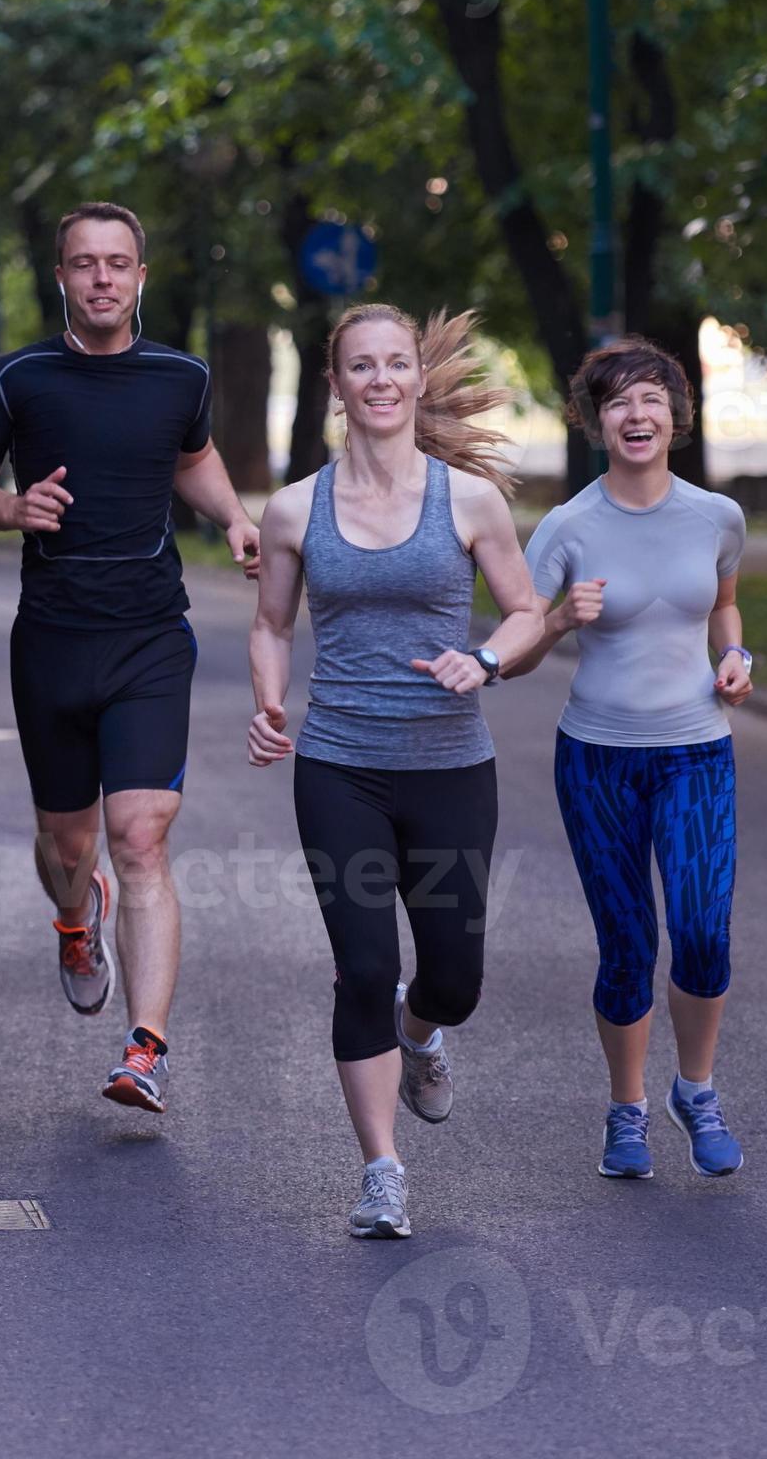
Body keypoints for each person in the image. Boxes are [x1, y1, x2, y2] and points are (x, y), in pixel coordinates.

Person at [0, 201, 261, 1115]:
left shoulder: (181, 376)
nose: (102, 279)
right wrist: (12, 509)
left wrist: (233, 515)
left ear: (141, 276)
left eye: (118, 263)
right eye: (84, 264)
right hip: (51, 639)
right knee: (69, 844)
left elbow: (190, 458)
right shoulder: (17, 378)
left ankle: (147, 1048)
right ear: (62, 277)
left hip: (151, 635)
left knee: (141, 836)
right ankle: (77, 923)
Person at [247, 306, 550, 1238]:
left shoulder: (467, 501)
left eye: (395, 365)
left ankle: (426, 1035)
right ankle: (381, 1171)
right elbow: (270, 625)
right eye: (359, 367)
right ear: (335, 386)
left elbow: (530, 615)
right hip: (341, 768)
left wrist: (488, 660)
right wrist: (269, 701)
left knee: (453, 976)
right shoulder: (297, 507)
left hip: (451, 767)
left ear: (419, 379)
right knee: (364, 965)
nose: (379, 380)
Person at [511, 338, 755, 1184]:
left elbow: (724, 605)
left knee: (700, 933)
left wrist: (739, 658)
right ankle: (627, 1110)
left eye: (652, 397)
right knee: (625, 946)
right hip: (597, 762)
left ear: (675, 416)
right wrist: (555, 623)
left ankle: (698, 1090)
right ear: (594, 420)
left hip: (696, 752)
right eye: (617, 401)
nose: (636, 414)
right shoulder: (566, 528)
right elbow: (516, 650)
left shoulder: (717, 517)